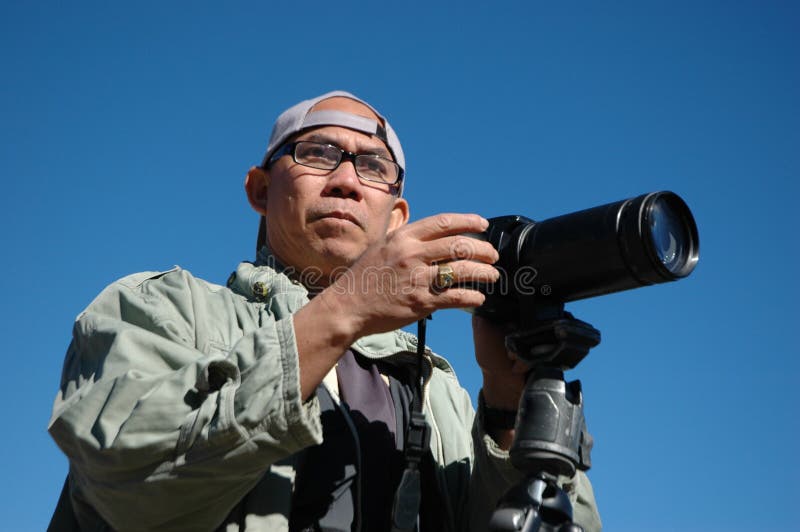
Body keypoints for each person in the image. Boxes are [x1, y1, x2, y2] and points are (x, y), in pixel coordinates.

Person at [48, 91, 601, 531]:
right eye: (318, 155)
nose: (345, 182)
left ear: (395, 216)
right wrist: (347, 308)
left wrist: (506, 411)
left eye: (374, 167)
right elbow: (124, 483)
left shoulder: (440, 394)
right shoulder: (161, 308)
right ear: (260, 189)